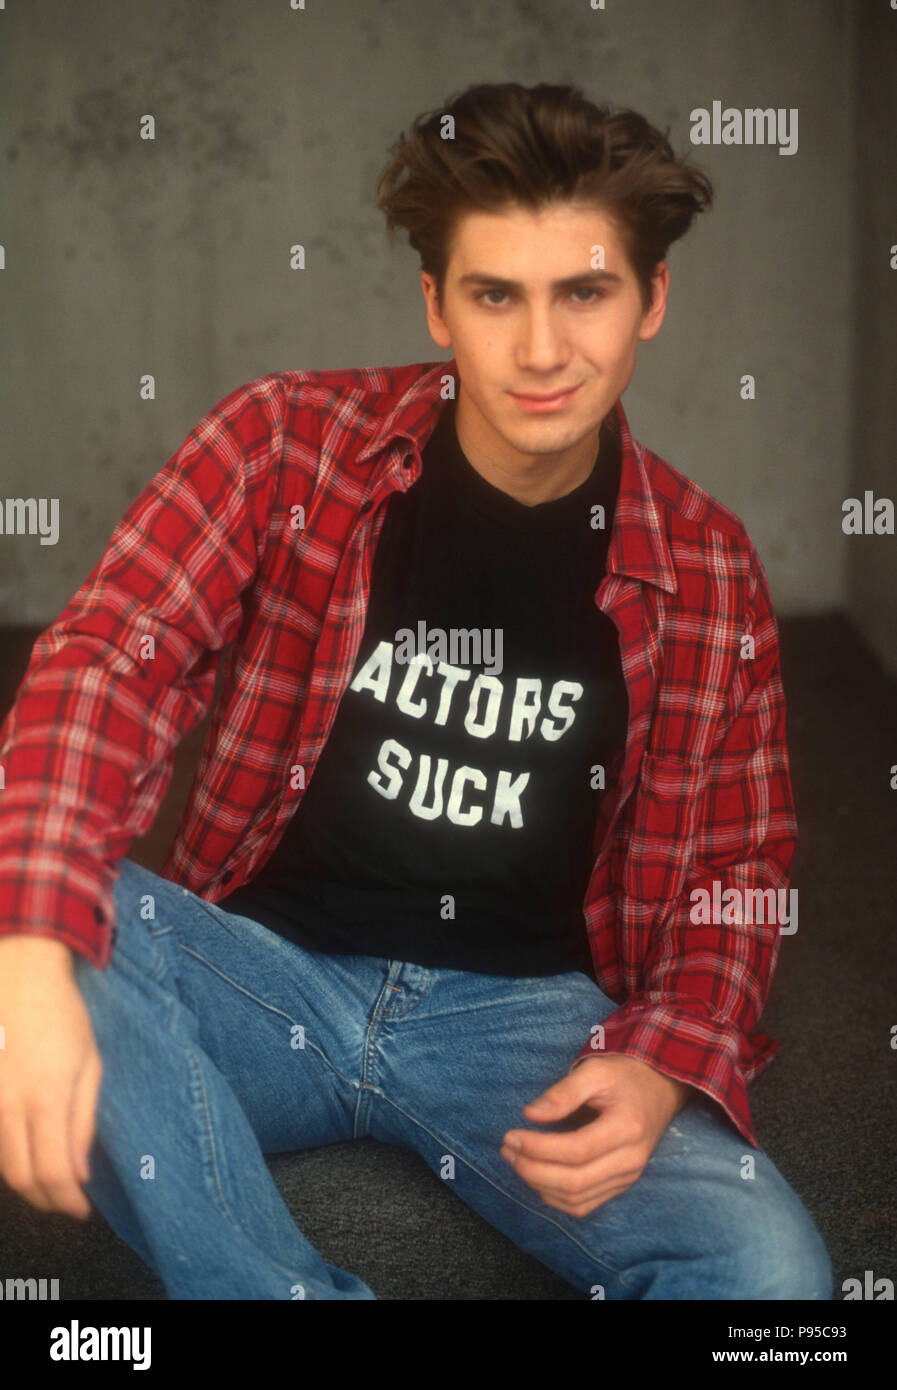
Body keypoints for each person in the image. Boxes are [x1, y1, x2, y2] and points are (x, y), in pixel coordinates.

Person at [0, 81, 833, 1300]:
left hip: (526, 1025)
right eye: (497, 294)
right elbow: (107, 664)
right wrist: (30, 952)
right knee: (31, 896)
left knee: (771, 1274)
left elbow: (736, 870)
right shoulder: (283, 440)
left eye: (584, 292)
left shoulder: (707, 565)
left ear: (652, 299)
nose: (541, 350)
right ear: (437, 300)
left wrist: (668, 1059)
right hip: (264, 966)